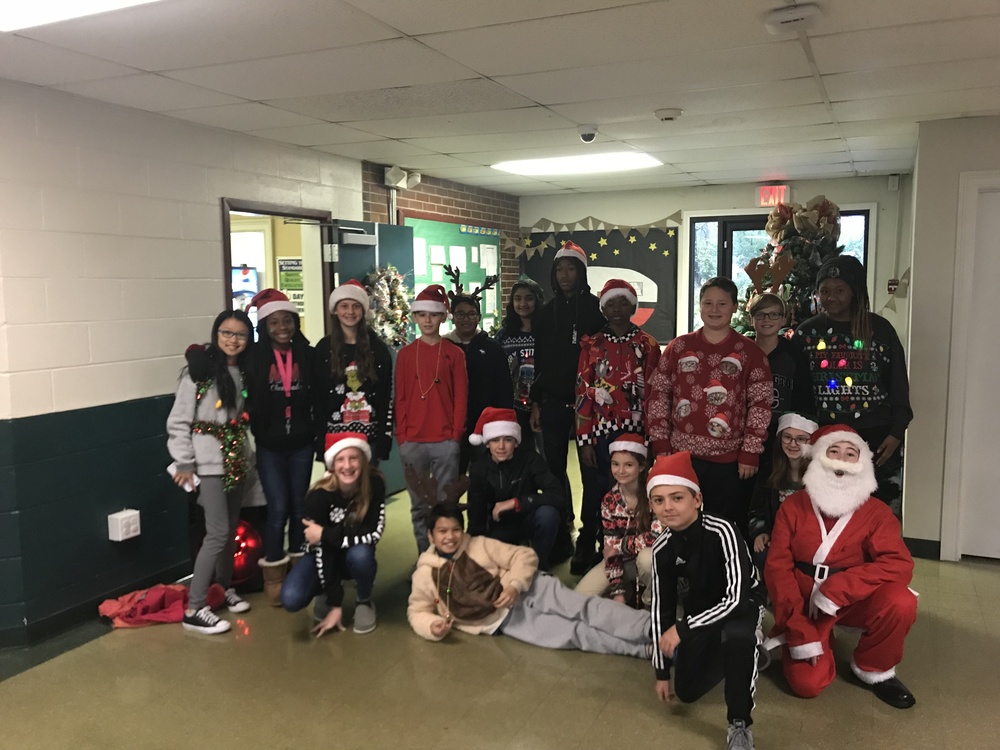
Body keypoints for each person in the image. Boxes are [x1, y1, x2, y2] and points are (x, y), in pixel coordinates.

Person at [764, 424, 917, 709]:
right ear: (817, 458)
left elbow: (898, 564)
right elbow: (777, 570)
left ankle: (873, 669)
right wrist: (797, 626)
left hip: (851, 599)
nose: (841, 460)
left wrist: (841, 588)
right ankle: (815, 639)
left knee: (901, 601)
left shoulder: (878, 512)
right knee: (807, 685)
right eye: (833, 451)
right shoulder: (793, 506)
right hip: (802, 602)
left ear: (862, 464)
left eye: (850, 453)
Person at [407, 504, 652, 658]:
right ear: (431, 535)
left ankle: (652, 628)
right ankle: (646, 650)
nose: (450, 537)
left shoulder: (478, 544)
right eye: (442, 531)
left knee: (583, 607)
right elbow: (417, 610)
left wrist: (514, 585)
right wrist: (431, 626)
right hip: (505, 620)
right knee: (573, 633)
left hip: (532, 587)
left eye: (455, 530)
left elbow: (523, 555)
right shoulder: (424, 575)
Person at [648, 451, 765, 750]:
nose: (668, 507)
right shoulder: (662, 549)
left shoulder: (722, 531)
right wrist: (662, 672)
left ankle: (739, 724)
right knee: (686, 690)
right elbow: (661, 609)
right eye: (658, 500)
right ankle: (738, 655)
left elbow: (737, 599)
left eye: (677, 498)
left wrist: (683, 629)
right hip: (702, 613)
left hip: (742, 604)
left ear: (697, 499)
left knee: (738, 635)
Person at [647, 277, 772, 534]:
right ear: (700, 306)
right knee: (681, 523)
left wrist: (750, 452)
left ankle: (723, 572)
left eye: (722, 303)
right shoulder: (679, 347)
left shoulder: (751, 353)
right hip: (681, 456)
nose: (714, 309)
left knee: (724, 526)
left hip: (730, 462)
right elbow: (658, 395)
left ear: (735, 307)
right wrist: (660, 444)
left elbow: (760, 406)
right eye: (708, 303)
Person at [794, 255, 912, 512]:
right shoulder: (806, 333)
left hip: (875, 437)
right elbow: (796, 392)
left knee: (875, 512)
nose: (831, 297)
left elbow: (899, 387)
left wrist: (896, 433)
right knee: (825, 509)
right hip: (823, 436)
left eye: (839, 290)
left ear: (855, 292)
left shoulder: (880, 330)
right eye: (824, 290)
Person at [166, 310, 255, 635]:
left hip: (235, 461)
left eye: (241, 334)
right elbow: (178, 421)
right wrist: (185, 462)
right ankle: (195, 607)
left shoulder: (244, 371)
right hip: (208, 464)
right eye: (226, 333)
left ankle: (223, 587)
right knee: (217, 533)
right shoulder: (199, 373)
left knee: (230, 530)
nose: (233, 340)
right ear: (216, 334)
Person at [574, 278, 661, 573]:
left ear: (633, 305)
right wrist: (584, 440)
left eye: (623, 302)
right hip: (599, 432)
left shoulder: (647, 345)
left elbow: (655, 393)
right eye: (611, 302)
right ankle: (598, 546)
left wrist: (652, 437)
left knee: (633, 490)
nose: (617, 309)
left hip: (636, 431)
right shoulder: (592, 345)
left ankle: (634, 547)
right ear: (603, 307)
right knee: (597, 489)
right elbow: (582, 392)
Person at [529, 241, 606, 571]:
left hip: (590, 407)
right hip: (553, 404)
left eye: (571, 268)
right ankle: (562, 532)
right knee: (554, 473)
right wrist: (535, 402)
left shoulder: (595, 311)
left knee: (592, 472)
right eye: (559, 269)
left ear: (581, 271)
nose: (564, 275)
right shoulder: (544, 314)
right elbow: (540, 361)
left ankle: (589, 539)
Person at [245, 289, 315, 606]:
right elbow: (224, 358)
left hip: (301, 444)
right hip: (270, 447)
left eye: (287, 320)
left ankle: (299, 571)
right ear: (265, 325)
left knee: (300, 507)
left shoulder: (306, 354)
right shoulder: (255, 357)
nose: (282, 326)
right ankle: (274, 573)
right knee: (277, 510)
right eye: (275, 322)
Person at [280, 432, 385, 636]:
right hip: (323, 555)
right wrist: (335, 603)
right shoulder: (317, 497)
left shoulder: (375, 484)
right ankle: (325, 591)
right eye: (340, 459)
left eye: (353, 458)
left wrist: (325, 534)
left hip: (353, 553)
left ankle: (363, 600)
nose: (347, 466)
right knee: (291, 598)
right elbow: (321, 549)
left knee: (361, 554)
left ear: (363, 461)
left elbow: (373, 533)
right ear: (332, 465)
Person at [395, 284, 468, 553]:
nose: (427, 320)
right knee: (419, 506)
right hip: (412, 440)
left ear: (442, 317)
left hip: (445, 440)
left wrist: (455, 434)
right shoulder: (404, 355)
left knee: (445, 504)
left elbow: (461, 396)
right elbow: (400, 397)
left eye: (433, 315)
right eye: (422, 314)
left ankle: (446, 557)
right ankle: (425, 558)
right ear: (414, 317)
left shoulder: (454, 354)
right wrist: (401, 436)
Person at [466, 408, 565, 570]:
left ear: (516, 441)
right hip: (499, 529)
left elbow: (558, 495)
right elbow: (476, 514)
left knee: (548, 515)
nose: (501, 446)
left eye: (507, 440)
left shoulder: (531, 459)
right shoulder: (479, 469)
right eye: (495, 440)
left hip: (528, 520)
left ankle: (539, 567)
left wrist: (516, 502)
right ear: (487, 443)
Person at [314, 280, 394, 464]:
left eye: (356, 306)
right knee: (337, 491)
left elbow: (385, 398)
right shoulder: (323, 349)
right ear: (335, 310)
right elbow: (317, 398)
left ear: (364, 310)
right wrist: (319, 440)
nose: (350, 312)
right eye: (344, 306)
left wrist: (385, 438)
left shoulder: (378, 350)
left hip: (369, 439)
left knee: (368, 490)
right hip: (334, 439)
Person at [575, 434, 660, 606]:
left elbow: (656, 537)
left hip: (653, 561)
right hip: (624, 562)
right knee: (580, 596)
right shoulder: (609, 500)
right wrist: (617, 590)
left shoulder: (655, 494)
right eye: (615, 464)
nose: (620, 471)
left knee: (647, 558)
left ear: (642, 466)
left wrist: (619, 546)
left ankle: (651, 605)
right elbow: (609, 551)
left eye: (628, 465)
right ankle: (627, 593)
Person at [445, 294, 514, 473]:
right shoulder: (443, 347)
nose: (465, 319)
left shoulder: (493, 348)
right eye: (460, 314)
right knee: (451, 479)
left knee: (486, 477)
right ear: (452, 316)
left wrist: (502, 423)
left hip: (486, 426)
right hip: (450, 428)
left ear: (479, 317)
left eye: (471, 314)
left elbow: (505, 387)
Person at [748, 292, 813, 478]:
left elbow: (804, 397)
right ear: (751, 318)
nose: (767, 319)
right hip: (746, 435)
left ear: (783, 318)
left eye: (774, 314)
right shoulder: (743, 352)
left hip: (782, 436)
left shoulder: (794, 355)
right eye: (760, 314)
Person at [747, 412, 818, 583]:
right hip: (775, 537)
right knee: (762, 553)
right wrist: (761, 532)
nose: (793, 444)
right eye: (787, 437)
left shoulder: (819, 474)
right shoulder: (769, 471)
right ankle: (766, 596)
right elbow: (757, 509)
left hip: (809, 541)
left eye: (801, 439)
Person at [494, 277, 546, 452]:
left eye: (528, 298)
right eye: (517, 299)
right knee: (519, 458)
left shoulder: (548, 331)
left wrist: (538, 405)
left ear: (537, 300)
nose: (523, 303)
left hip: (543, 406)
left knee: (548, 462)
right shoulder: (504, 335)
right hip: (513, 407)